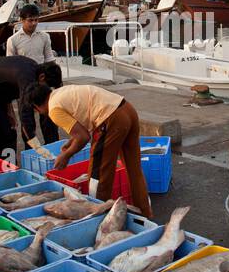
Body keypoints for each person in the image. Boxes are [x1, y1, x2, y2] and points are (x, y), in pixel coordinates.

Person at [25, 82, 152, 218]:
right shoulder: (60, 92)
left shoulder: (53, 110)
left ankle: (98, 218)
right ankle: (145, 215)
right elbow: (81, 129)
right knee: (134, 169)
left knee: (98, 175)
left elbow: (83, 137)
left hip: (111, 119)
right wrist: (72, 142)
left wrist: (66, 155)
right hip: (127, 109)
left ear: (36, 107)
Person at [0, 58, 62, 161]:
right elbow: (26, 115)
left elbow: (4, 83)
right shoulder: (27, 77)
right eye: (48, 86)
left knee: (7, 132)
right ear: (42, 77)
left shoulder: (33, 70)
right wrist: (37, 147)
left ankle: (9, 167)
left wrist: (8, 109)